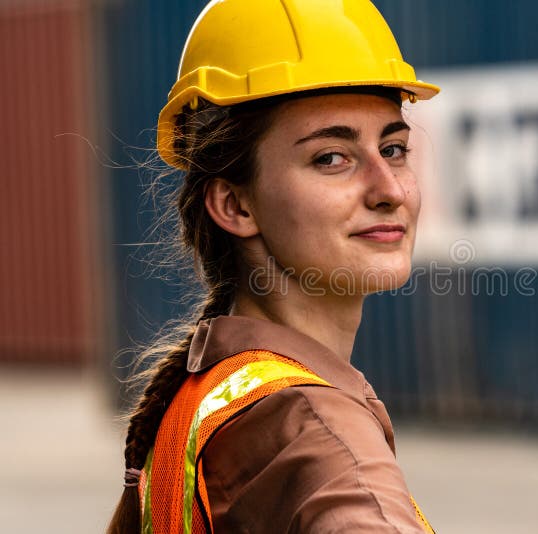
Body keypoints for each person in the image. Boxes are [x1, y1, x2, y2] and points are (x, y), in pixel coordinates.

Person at [106, 0, 439, 532]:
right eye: (332, 157)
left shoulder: (208, 396)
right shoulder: (317, 435)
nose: (390, 189)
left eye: (394, 148)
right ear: (236, 206)